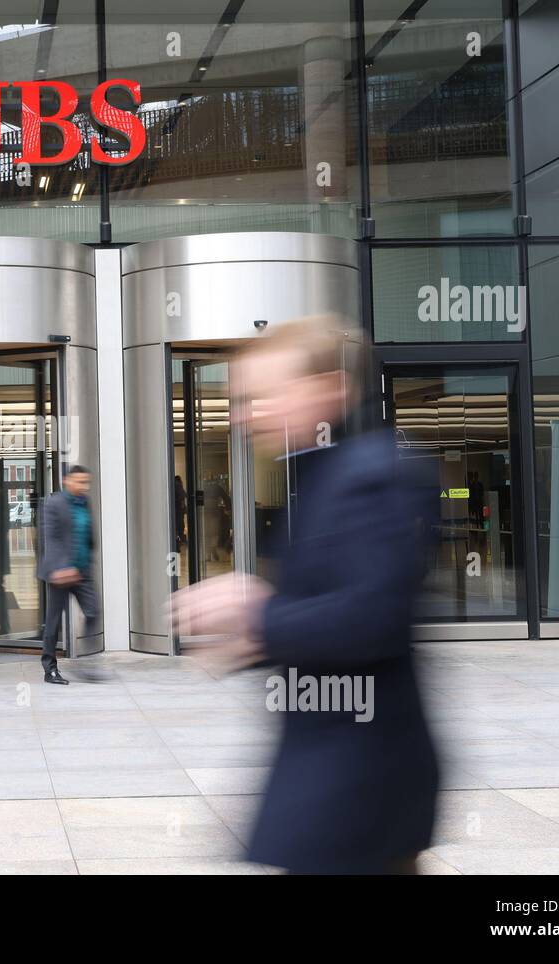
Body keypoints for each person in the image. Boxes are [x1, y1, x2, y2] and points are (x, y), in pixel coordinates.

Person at [171, 314, 439, 875]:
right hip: (338, 776)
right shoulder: (324, 472)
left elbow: (373, 616)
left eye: (265, 396)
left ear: (328, 390)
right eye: (242, 401)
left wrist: (259, 616)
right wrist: (255, 634)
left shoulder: (371, 475)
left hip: (360, 782)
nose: (246, 415)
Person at [37, 465, 100, 685]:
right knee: (53, 622)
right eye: (80, 481)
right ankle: (50, 669)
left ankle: (86, 663)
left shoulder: (85, 503)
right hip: (61, 572)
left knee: (93, 612)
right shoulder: (54, 503)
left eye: (86, 482)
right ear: (67, 481)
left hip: (82, 571)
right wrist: (61, 567)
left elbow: (89, 536)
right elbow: (49, 538)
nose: (84, 486)